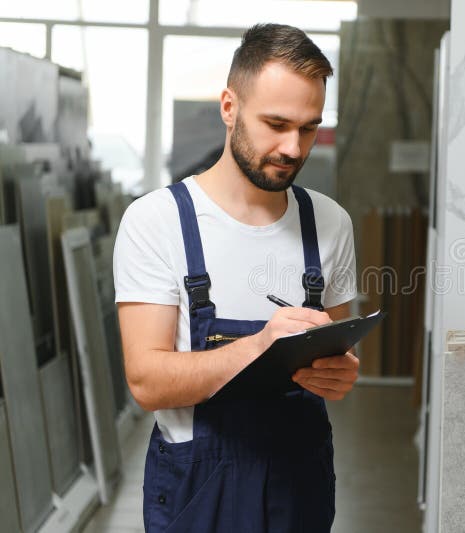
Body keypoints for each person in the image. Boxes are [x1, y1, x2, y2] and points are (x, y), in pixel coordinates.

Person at [113, 23, 359, 532]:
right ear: (229, 107)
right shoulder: (157, 222)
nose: (293, 147)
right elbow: (146, 381)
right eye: (275, 123)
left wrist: (341, 376)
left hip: (301, 487)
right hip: (198, 494)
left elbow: (337, 358)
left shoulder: (330, 224)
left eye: (308, 127)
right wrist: (259, 346)